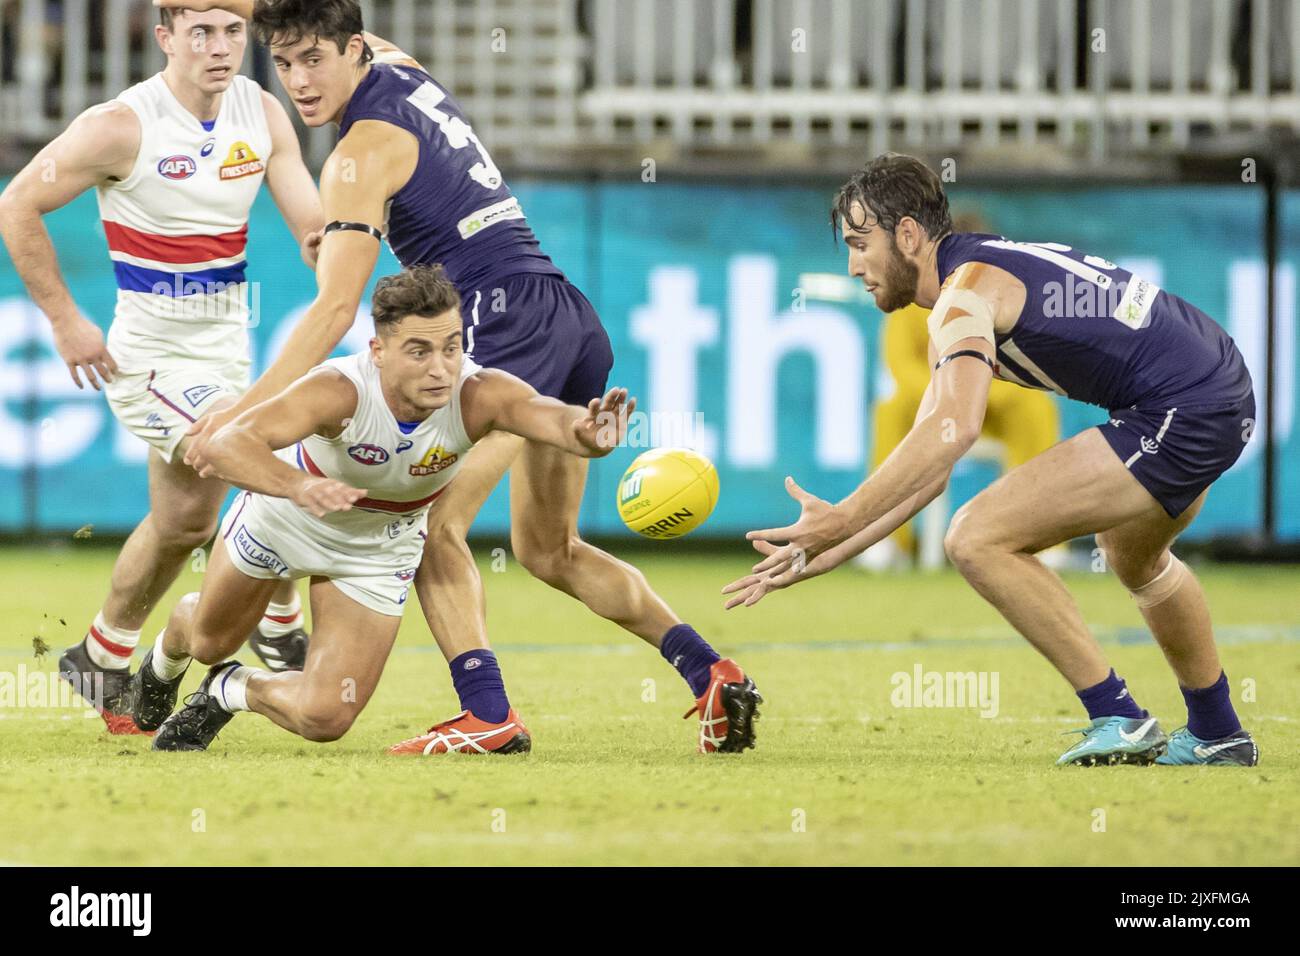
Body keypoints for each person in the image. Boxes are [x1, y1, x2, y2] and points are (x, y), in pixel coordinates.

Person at [153, 0, 761, 754]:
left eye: (314, 60)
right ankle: (711, 672)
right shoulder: (398, 63)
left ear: (350, 51)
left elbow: (336, 307)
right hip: (566, 313)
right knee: (549, 550)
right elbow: (310, 17)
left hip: (498, 324)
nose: (299, 83)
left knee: (433, 520)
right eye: (283, 63)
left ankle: (487, 712)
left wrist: (236, 419)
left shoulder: (357, 153)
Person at [724, 153, 1258, 768]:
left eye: (858, 243)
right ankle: (1219, 732)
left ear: (906, 235)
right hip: (1210, 384)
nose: (852, 267)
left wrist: (840, 518)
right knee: (1133, 554)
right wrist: (825, 550)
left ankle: (1119, 716)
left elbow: (955, 430)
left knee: (976, 537)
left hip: (1186, 404)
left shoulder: (963, 299)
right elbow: (931, 467)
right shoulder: (974, 277)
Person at [135, 264, 634, 753]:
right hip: (281, 524)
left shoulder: (481, 393)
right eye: (418, 351)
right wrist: (297, 485)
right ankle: (169, 651)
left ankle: (229, 689)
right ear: (378, 351)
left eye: (451, 347)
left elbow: (553, 420)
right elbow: (227, 446)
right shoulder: (339, 390)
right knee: (207, 644)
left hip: (378, 549)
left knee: (325, 717)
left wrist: (589, 434)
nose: (440, 368)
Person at [0, 3, 324, 733]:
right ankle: (280, 616)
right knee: (257, 447)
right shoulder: (119, 125)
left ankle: (98, 658)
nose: (219, 48)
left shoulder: (263, 111)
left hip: (225, 351)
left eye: (232, 31)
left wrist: (327, 241)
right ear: (166, 37)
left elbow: (307, 212)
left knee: (182, 523)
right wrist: (64, 319)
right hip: (150, 361)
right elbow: (17, 202)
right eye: (201, 32)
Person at [859, 212, 1061, 571]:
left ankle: (1041, 538)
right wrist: (951, 395)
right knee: (890, 412)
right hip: (931, 408)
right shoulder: (914, 299)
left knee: (1036, 409)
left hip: (992, 410)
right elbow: (902, 367)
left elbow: (1030, 363)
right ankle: (887, 539)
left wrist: (978, 395)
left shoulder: (1007, 295)